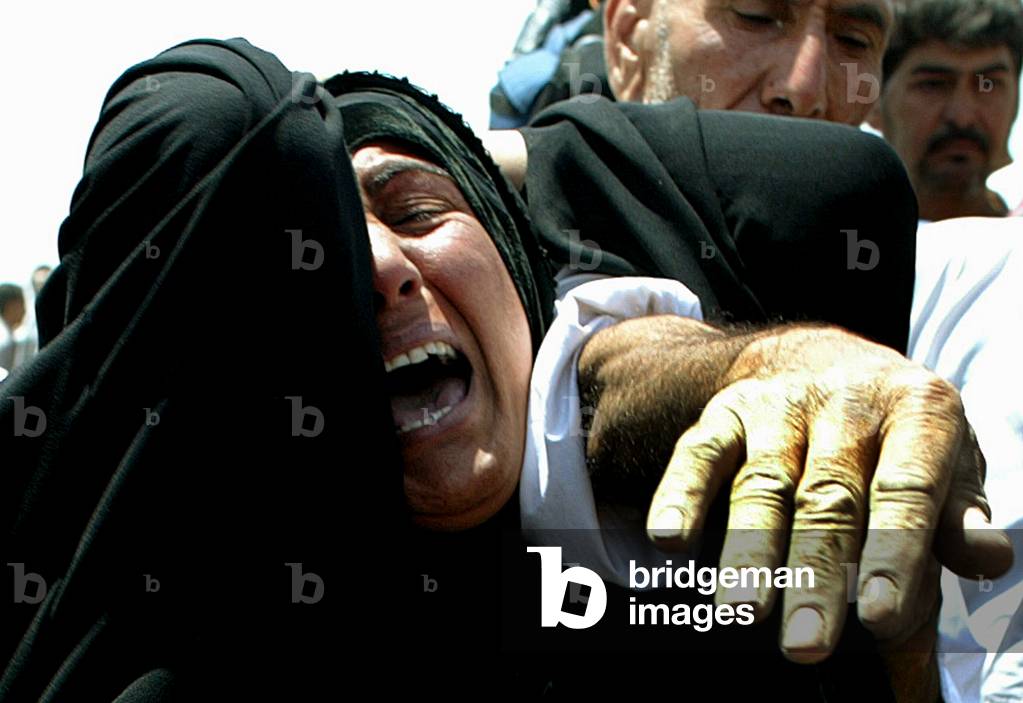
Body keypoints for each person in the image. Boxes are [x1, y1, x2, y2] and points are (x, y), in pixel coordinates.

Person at [867, 0, 1023, 222]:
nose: (963, 117)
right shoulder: (836, 243)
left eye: (988, 84)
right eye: (933, 85)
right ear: (873, 104)